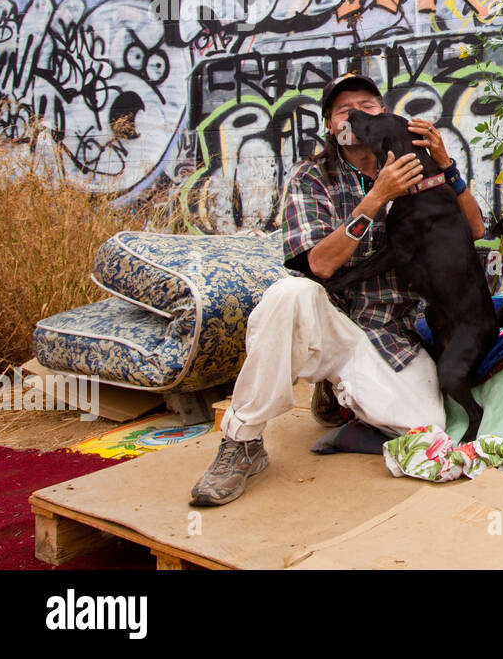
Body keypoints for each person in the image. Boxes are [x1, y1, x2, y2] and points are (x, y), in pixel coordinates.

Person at [189, 72, 486, 506]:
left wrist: (447, 167)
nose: (356, 115)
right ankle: (243, 440)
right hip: (329, 321)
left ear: (383, 114)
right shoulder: (313, 177)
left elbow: (475, 230)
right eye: (344, 110)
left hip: (389, 333)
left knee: (427, 429)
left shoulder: (414, 163)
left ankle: (338, 391)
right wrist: (377, 197)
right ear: (331, 126)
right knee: (288, 295)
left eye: (367, 106)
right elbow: (320, 264)